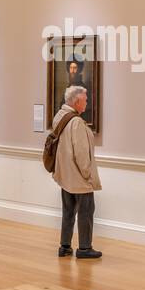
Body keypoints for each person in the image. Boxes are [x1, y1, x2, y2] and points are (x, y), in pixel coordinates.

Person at [51, 85, 102, 259]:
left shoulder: (59, 116)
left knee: (68, 211)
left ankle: (65, 246)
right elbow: (81, 154)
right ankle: (84, 248)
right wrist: (87, 175)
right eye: (85, 100)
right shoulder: (76, 122)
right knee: (86, 211)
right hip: (79, 177)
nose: (87, 103)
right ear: (77, 101)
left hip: (64, 174)